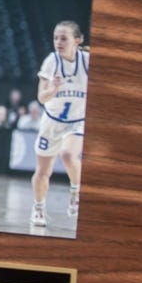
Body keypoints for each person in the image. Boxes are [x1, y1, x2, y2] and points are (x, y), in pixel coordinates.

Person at [29, 20, 90, 228]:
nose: (58, 42)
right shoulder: (51, 61)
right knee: (43, 172)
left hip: (77, 122)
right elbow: (42, 98)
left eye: (64, 38)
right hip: (52, 122)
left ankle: (75, 190)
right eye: (56, 38)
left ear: (77, 41)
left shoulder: (88, 61)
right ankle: (38, 207)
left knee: (67, 155)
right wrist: (54, 88)